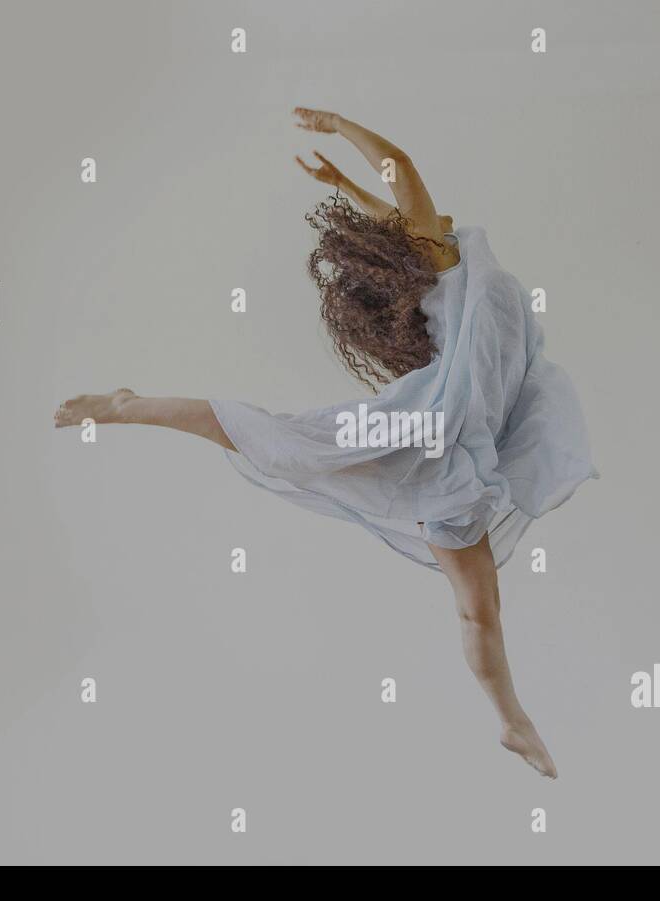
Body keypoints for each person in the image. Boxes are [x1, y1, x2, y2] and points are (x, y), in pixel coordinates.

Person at [56, 108, 598, 777]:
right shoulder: (448, 264)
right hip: (435, 433)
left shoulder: (436, 266)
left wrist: (340, 177)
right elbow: (401, 168)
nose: (410, 215)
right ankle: (127, 406)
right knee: (292, 441)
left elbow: (397, 213)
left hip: (455, 461)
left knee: (477, 613)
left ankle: (511, 722)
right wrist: (341, 126)